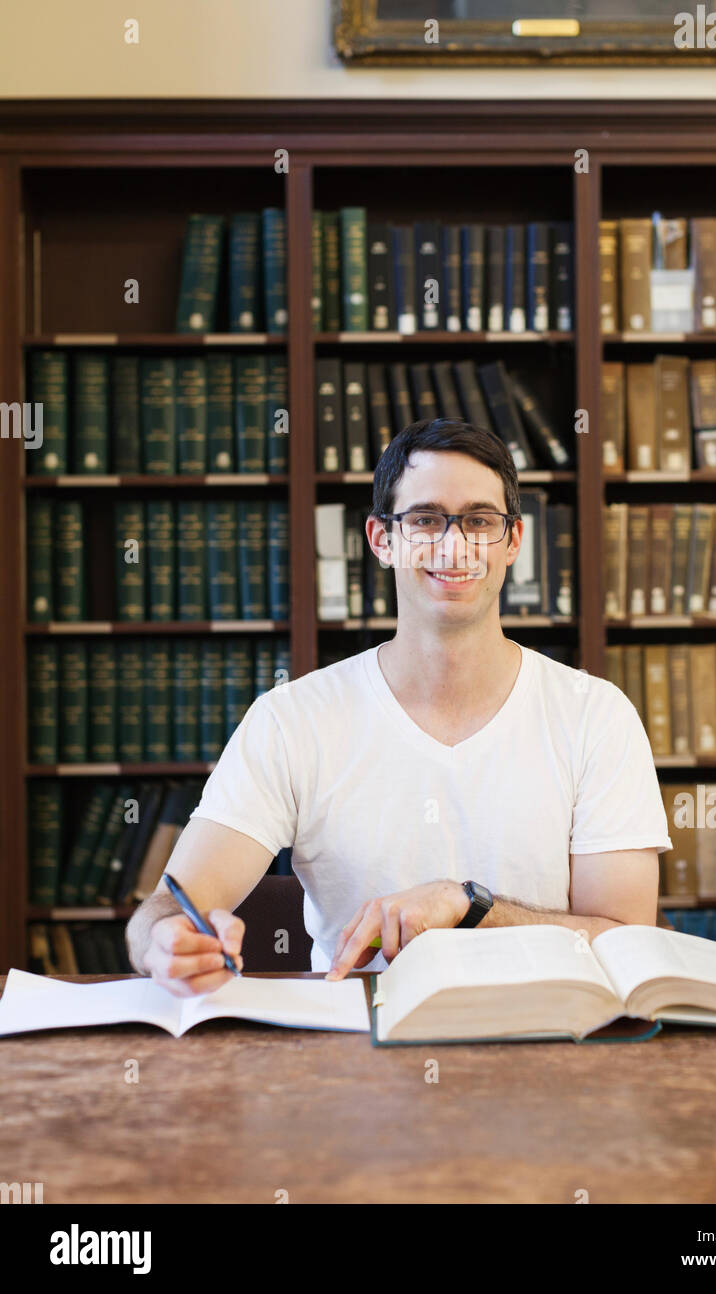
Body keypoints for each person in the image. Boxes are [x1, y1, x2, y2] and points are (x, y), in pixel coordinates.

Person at [126, 418, 671, 995]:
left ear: (513, 541)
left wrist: (467, 907)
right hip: (353, 1051)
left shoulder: (596, 716)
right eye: (425, 520)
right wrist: (164, 943)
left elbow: (626, 941)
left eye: (480, 521)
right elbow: (165, 906)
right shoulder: (291, 720)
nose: (454, 546)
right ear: (382, 540)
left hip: (548, 1045)